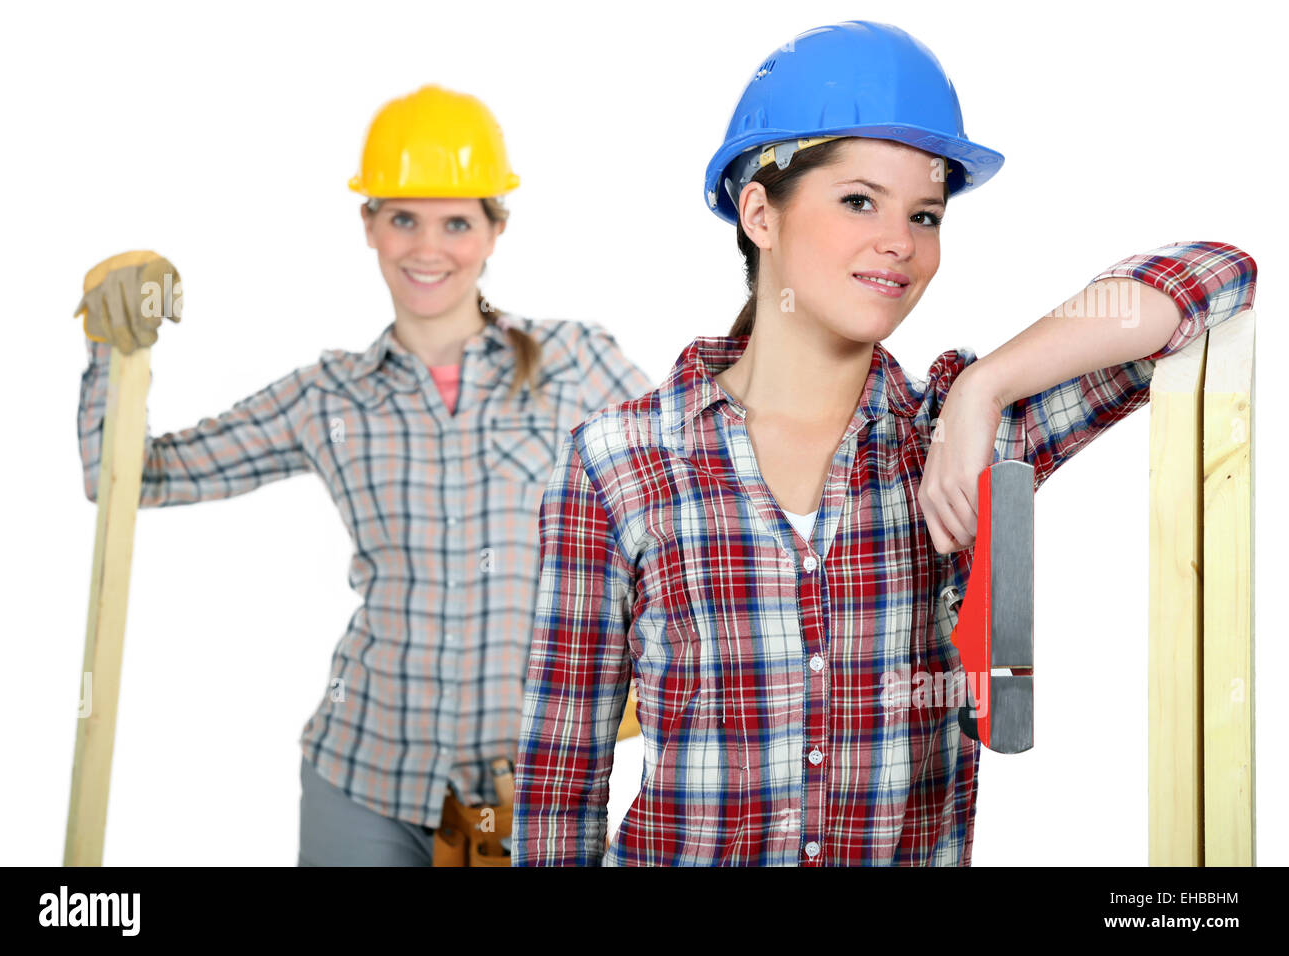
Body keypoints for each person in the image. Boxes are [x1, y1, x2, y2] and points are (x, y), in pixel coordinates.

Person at [511, 20, 1257, 865]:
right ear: (760, 210)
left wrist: (984, 388)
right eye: (859, 200)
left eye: (926, 213)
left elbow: (1215, 273)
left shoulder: (956, 437)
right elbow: (557, 786)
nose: (901, 242)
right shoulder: (620, 463)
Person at [71, 83, 651, 866]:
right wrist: (114, 348)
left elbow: (690, 492)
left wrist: (647, 668)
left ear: (493, 231)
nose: (427, 247)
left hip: (524, 792)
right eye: (402, 218)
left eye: (456, 222)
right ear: (369, 225)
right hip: (363, 775)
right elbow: (131, 478)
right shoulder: (327, 394)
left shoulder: (573, 360)